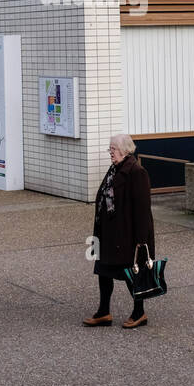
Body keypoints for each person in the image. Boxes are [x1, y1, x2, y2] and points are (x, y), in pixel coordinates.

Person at [84, 134, 155, 329]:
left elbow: (142, 209)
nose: (110, 153)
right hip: (108, 233)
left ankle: (139, 312)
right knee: (103, 271)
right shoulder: (115, 168)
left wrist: (141, 240)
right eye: (110, 149)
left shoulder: (136, 172)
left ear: (125, 150)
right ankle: (103, 312)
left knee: (131, 272)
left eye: (113, 149)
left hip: (127, 235)